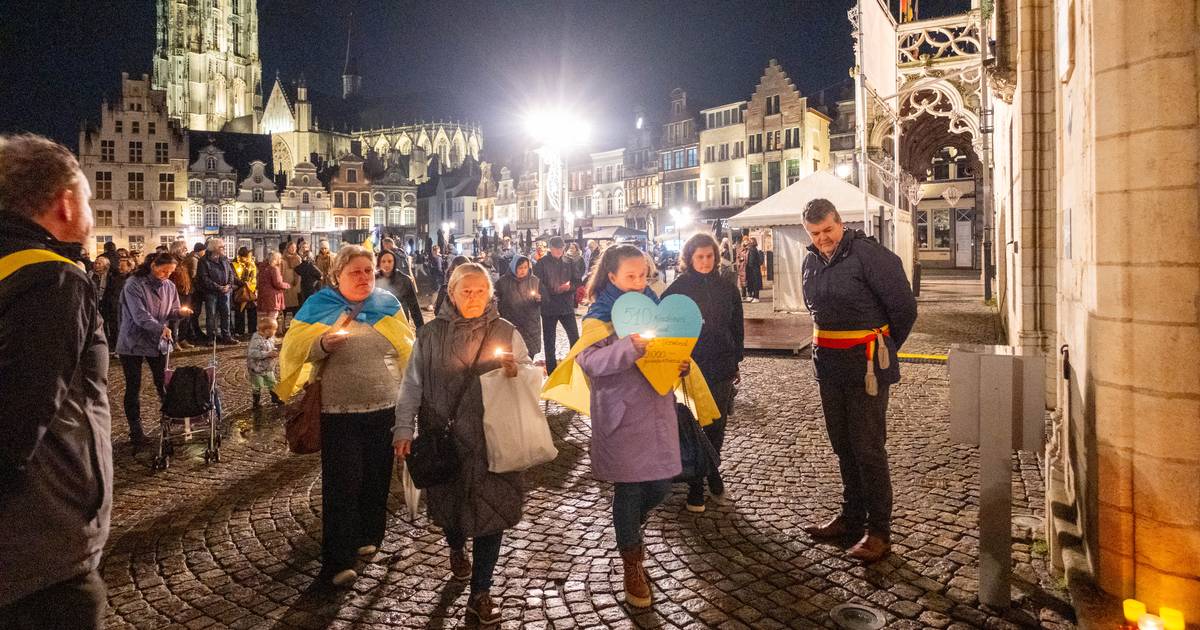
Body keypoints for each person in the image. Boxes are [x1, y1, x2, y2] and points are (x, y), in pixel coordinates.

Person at [541, 244, 717, 609]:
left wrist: (678, 365)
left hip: (656, 412)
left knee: (659, 487)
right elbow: (590, 363)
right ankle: (632, 563)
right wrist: (628, 348)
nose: (639, 282)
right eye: (631, 276)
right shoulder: (598, 317)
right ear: (612, 277)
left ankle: (631, 532)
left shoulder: (658, 311)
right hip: (620, 415)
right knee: (631, 490)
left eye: (643, 275)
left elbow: (670, 351)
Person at [0, 133, 112, 629]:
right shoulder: (52, 279)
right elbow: (20, 418)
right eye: (88, 196)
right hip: (39, 549)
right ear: (66, 203)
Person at [393, 263, 529, 626]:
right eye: (465, 291)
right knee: (452, 510)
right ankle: (455, 545)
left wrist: (519, 372)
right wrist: (403, 429)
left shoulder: (506, 331)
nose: (473, 298)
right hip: (446, 440)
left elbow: (531, 379)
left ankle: (481, 592)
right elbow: (412, 385)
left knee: (492, 513)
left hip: (494, 440)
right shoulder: (430, 335)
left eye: (480, 291)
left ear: (490, 294)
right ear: (450, 294)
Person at [276, 245, 414, 588]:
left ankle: (369, 535)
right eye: (356, 272)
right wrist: (322, 345)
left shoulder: (388, 304)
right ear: (337, 275)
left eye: (369, 271)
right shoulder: (319, 306)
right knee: (343, 484)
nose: (365, 277)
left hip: (385, 407)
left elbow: (408, 348)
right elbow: (293, 348)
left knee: (376, 478)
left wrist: (413, 402)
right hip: (339, 412)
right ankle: (337, 561)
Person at [799, 198, 917, 564]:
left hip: (866, 367)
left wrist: (883, 346)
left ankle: (879, 531)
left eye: (828, 230)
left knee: (868, 448)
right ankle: (851, 518)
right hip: (830, 369)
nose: (823, 239)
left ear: (841, 223)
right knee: (843, 446)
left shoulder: (870, 255)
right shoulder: (809, 262)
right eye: (816, 234)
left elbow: (904, 308)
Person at [663, 233, 744, 512]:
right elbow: (663, 328)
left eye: (710, 256)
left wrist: (736, 360)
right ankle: (696, 483)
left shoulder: (727, 288)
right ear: (689, 258)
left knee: (717, 425)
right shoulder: (677, 289)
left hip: (721, 365)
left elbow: (737, 326)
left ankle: (713, 471)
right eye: (700, 257)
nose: (706, 261)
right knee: (693, 424)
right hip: (691, 368)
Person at [116, 252, 183, 450]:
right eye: (164, 270)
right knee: (133, 386)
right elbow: (139, 315)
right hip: (133, 341)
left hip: (158, 341)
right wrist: (160, 328)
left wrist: (180, 313)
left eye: (170, 272)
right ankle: (136, 431)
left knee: (163, 383)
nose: (167, 275)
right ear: (153, 265)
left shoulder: (170, 286)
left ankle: (169, 424)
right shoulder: (134, 284)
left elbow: (172, 310)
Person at [533, 236, 582, 374]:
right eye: (556, 248)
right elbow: (538, 283)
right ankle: (552, 371)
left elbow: (577, 281)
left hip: (566, 306)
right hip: (549, 308)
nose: (559, 251)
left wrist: (569, 287)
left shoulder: (569, 262)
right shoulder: (542, 263)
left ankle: (576, 366)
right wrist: (547, 296)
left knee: (574, 337)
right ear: (551, 248)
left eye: (561, 248)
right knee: (549, 342)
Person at [494, 254, 542, 360]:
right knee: (511, 355)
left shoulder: (535, 281)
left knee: (529, 356)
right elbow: (494, 297)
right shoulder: (503, 282)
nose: (523, 270)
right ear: (514, 267)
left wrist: (539, 299)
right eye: (520, 268)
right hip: (511, 323)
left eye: (525, 267)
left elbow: (544, 300)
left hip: (530, 324)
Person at [196, 237, 238, 345]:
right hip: (211, 293)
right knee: (211, 315)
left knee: (226, 314)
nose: (224, 248)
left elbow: (230, 274)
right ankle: (211, 338)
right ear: (214, 248)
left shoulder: (224, 259)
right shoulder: (204, 261)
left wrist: (229, 285)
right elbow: (204, 278)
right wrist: (218, 287)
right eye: (221, 247)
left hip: (225, 292)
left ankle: (226, 336)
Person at [376, 250, 423, 328]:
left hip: (400, 322)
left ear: (394, 262)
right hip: (380, 323)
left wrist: (421, 328)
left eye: (389, 261)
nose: (386, 264)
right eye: (383, 261)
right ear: (379, 263)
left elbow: (414, 306)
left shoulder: (404, 279)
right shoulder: (373, 279)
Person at [246, 318, 282, 408]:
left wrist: (273, 351)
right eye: (274, 329)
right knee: (257, 385)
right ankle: (256, 402)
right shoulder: (256, 340)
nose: (275, 331)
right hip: (256, 368)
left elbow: (269, 347)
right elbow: (252, 353)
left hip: (267, 367)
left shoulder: (269, 339)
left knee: (272, 383)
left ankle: (275, 398)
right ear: (267, 331)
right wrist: (267, 354)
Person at [101, 257, 134, 350]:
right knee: (114, 328)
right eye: (119, 265)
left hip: (125, 308)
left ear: (129, 267)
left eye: (122, 266)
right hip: (113, 308)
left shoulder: (133, 279)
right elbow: (108, 292)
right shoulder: (114, 277)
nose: (119, 267)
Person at [256, 251, 290, 335]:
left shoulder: (262, 268)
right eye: (279, 258)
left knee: (265, 319)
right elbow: (277, 283)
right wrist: (286, 285)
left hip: (263, 295)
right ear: (276, 259)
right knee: (272, 319)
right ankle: (270, 337)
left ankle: (263, 336)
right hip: (273, 296)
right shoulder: (274, 269)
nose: (280, 260)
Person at [168, 240, 194, 349]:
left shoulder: (184, 262)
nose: (186, 251)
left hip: (186, 292)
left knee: (186, 317)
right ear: (178, 250)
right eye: (184, 249)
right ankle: (174, 341)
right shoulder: (172, 262)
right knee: (176, 319)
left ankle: (182, 338)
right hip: (176, 294)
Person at [232, 246, 258, 339]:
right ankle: (239, 331)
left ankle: (252, 330)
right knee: (240, 311)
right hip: (241, 291)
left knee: (252, 311)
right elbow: (234, 277)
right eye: (247, 256)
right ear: (242, 256)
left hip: (251, 290)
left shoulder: (252, 265)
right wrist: (243, 283)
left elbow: (255, 276)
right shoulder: (234, 264)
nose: (249, 258)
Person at [184, 241, 206, 342]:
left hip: (192, 290)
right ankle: (193, 333)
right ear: (200, 251)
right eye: (203, 251)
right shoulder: (194, 260)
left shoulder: (191, 257)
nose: (204, 253)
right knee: (194, 312)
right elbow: (194, 275)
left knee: (194, 312)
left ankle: (194, 332)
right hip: (194, 290)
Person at [281, 240, 302, 330]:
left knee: (295, 306)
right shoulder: (283, 258)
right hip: (285, 282)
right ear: (288, 248)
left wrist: (297, 280)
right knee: (284, 306)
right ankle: (283, 326)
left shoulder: (298, 258)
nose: (293, 249)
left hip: (295, 284)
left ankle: (294, 326)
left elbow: (300, 271)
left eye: (294, 248)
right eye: (291, 248)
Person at [743, 237, 764, 302]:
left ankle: (755, 297)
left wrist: (748, 265)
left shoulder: (752, 249)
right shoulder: (753, 249)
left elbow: (751, 260)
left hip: (753, 269)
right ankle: (752, 296)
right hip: (753, 269)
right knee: (752, 283)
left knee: (754, 283)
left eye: (750, 241)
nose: (748, 242)